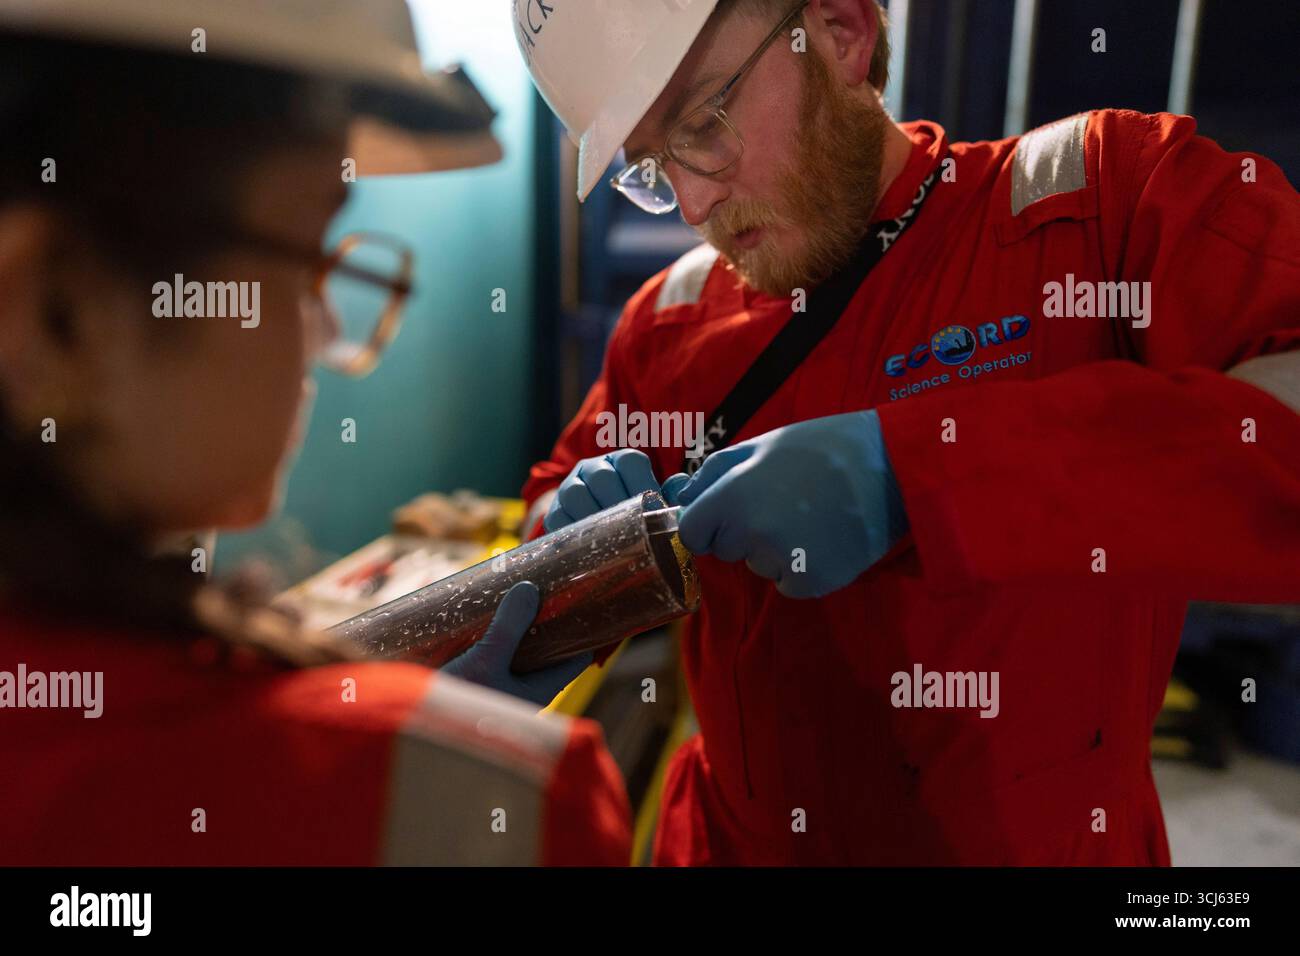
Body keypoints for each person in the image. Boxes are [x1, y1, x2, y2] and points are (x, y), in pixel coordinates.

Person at [516, 0, 1300, 864]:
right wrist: (566, 549)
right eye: (651, 169)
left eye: (704, 119)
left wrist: (921, 475)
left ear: (844, 31)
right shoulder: (668, 320)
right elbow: (548, 518)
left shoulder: (1099, 205)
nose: (692, 203)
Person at [0, 0, 628, 865]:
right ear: (53, 310)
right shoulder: (501, 805)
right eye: (304, 254)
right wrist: (417, 757)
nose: (326, 330)